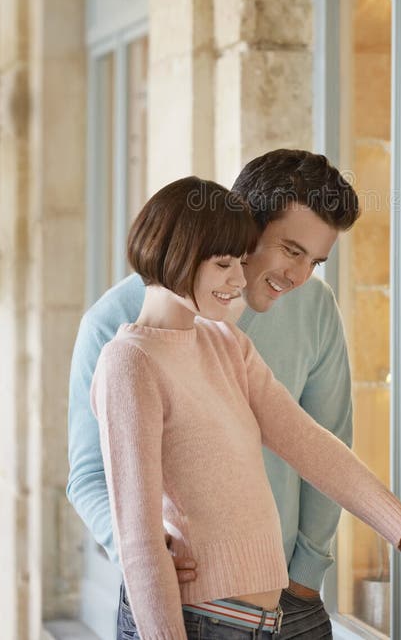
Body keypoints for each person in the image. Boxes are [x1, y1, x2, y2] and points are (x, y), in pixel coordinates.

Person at [90, 176, 401, 640]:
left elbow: (311, 446)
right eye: (224, 264)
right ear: (177, 255)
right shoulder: (130, 361)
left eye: (242, 263)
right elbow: (141, 540)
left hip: (263, 624)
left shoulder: (226, 343)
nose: (238, 279)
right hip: (202, 623)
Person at [68, 150, 359, 639]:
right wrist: (147, 553)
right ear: (244, 224)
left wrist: (307, 577)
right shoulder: (115, 324)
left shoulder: (309, 308)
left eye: (315, 260)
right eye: (290, 251)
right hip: (186, 598)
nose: (300, 276)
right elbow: (90, 473)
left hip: (290, 597)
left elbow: (324, 439)